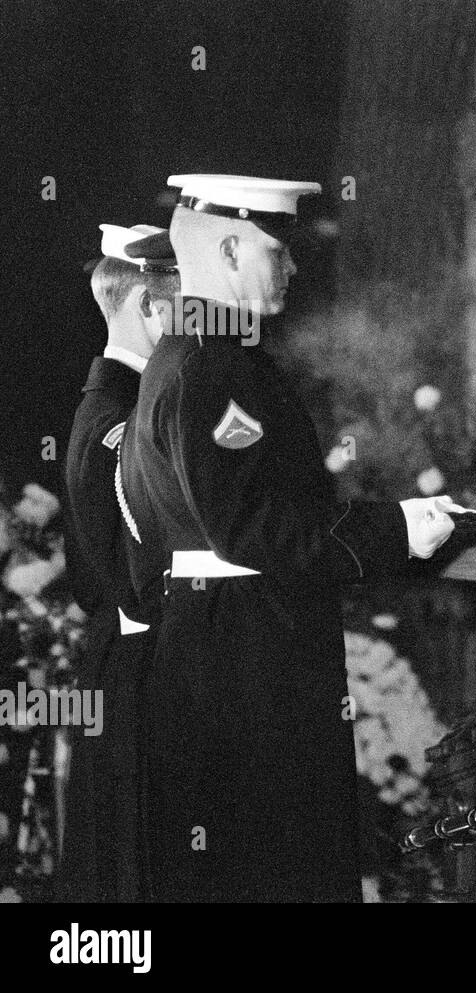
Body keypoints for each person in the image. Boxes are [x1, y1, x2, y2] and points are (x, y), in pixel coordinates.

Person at [118, 175, 457, 902]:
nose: (294, 267)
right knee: (279, 867)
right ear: (232, 250)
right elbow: (251, 528)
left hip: (212, 650)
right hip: (252, 662)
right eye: (281, 249)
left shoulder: (182, 362)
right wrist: (394, 528)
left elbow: (155, 538)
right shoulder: (218, 369)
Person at [58, 224, 178, 902]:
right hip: (137, 666)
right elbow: (126, 571)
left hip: (128, 661)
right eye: (184, 302)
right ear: (144, 307)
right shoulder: (118, 418)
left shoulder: (117, 406)